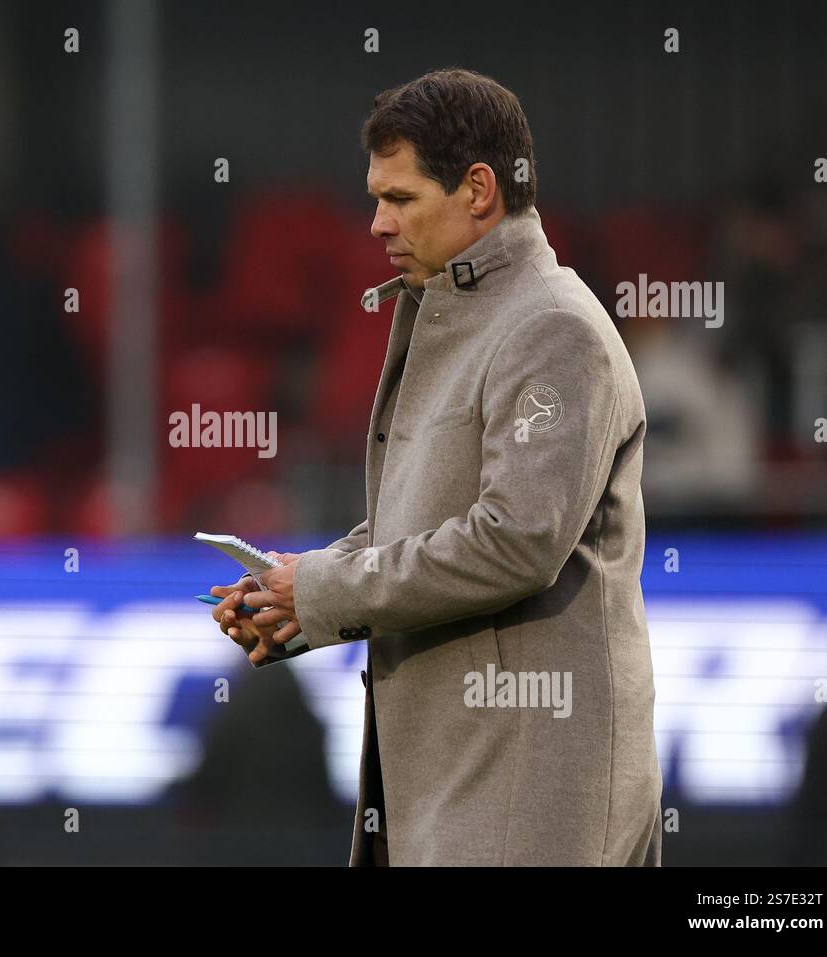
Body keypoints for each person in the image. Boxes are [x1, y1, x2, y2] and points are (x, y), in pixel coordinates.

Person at [210, 68, 662, 866]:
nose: (378, 224)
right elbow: (428, 515)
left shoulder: (552, 328)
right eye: (376, 198)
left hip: (526, 788)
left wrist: (323, 591)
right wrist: (300, 593)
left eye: (402, 198)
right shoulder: (462, 311)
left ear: (479, 190)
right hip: (460, 780)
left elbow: (516, 540)